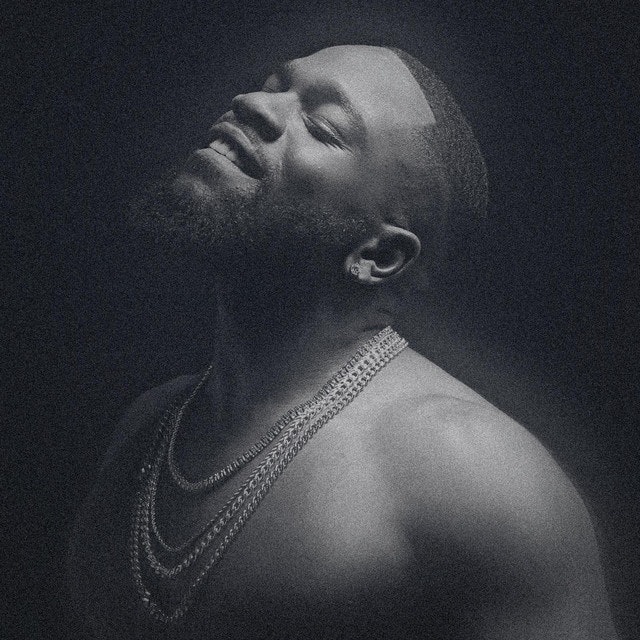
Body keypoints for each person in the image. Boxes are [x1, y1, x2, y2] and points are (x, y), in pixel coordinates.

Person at [67, 44, 617, 639]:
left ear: (379, 254)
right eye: (272, 85)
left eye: (324, 126)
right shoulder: (149, 428)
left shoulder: (474, 475)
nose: (253, 104)